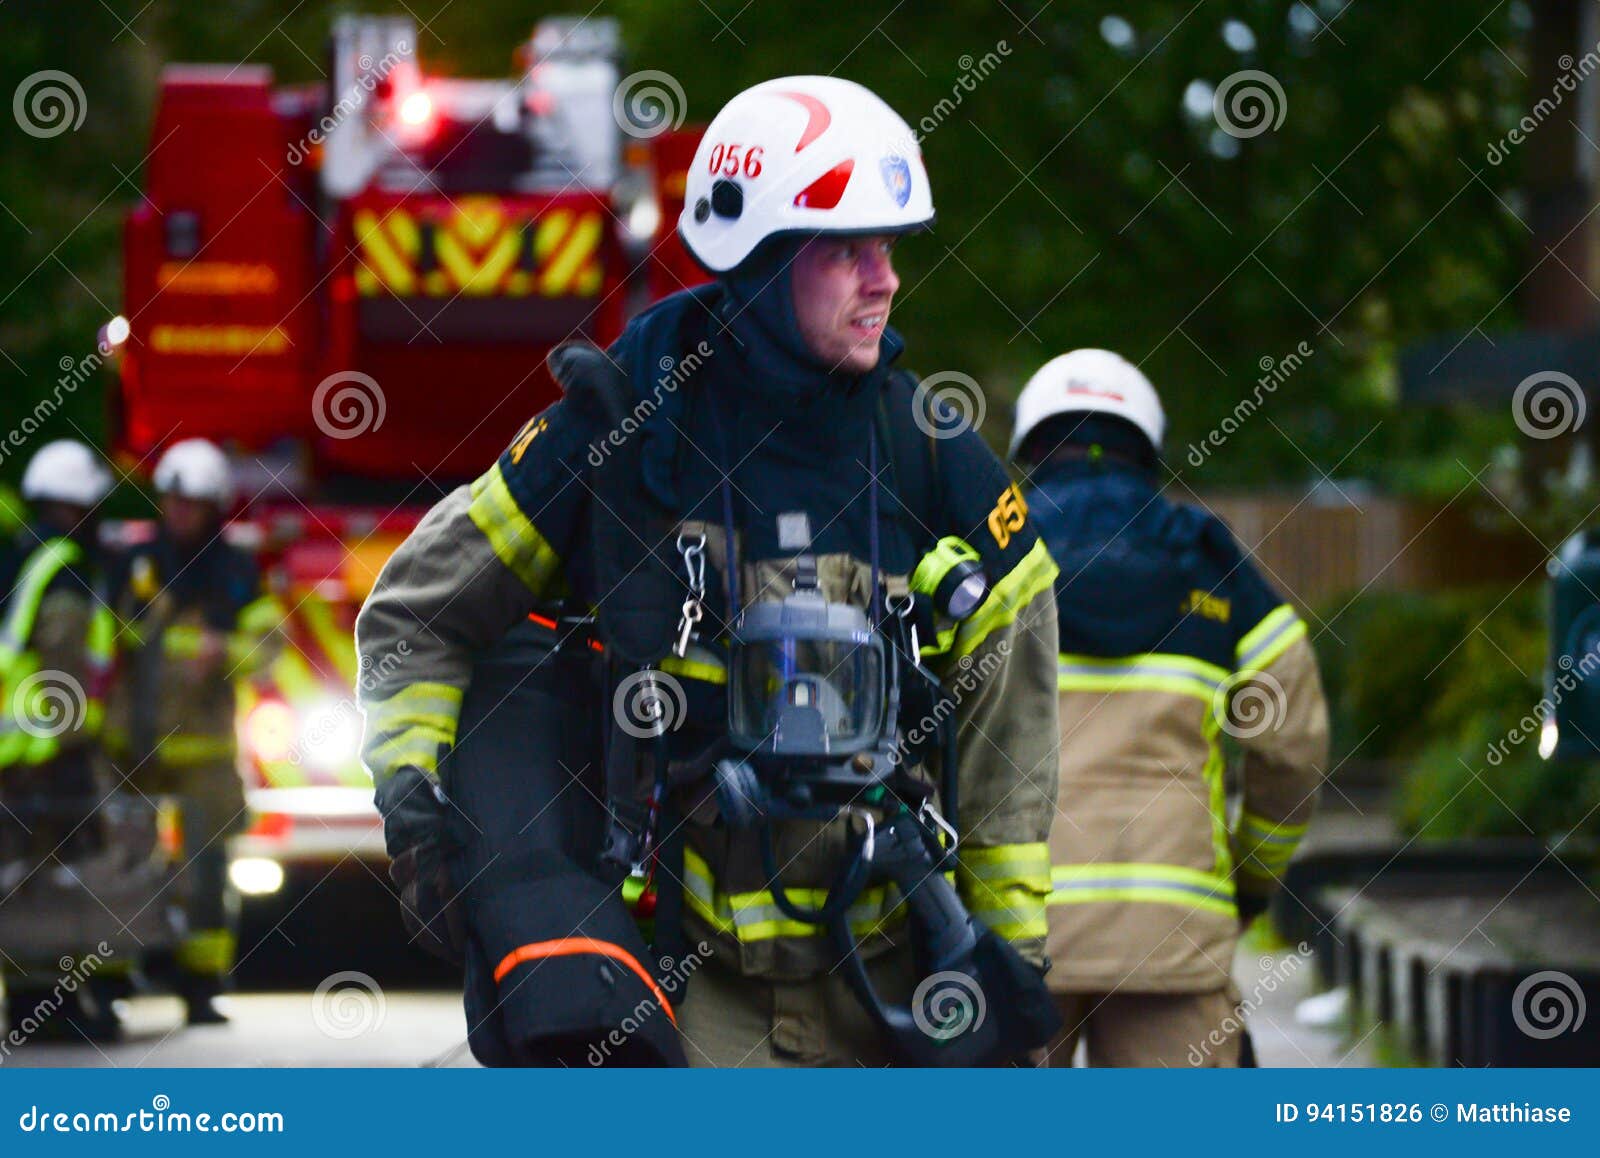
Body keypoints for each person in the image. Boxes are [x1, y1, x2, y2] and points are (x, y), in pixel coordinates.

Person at [357, 75, 1062, 1067]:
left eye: (889, 247)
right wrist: (412, 798)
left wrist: (1005, 980)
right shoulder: (621, 434)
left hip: (892, 985)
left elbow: (1010, 752)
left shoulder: (932, 459)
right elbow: (418, 615)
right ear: (762, 263)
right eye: (847, 250)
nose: (884, 280)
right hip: (687, 990)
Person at [1010, 349, 1329, 1067]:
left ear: (1031, 448)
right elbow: (1294, 744)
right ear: (1147, 448)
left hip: (1009, 939)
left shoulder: (982, 557)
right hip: (1172, 938)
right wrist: (1250, 881)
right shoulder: (1212, 567)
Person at [105, 438, 281, 1025]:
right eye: (173, 501)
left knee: (206, 868)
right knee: (123, 864)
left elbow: (268, 642)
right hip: (132, 745)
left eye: (193, 503)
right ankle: (111, 980)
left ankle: (201, 983)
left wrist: (224, 650)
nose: (180, 513)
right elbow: (106, 638)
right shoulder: (135, 562)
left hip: (205, 749)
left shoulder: (235, 570)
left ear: (214, 507)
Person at [0, 440, 116, 871]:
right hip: (43, 753)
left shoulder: (20, 555)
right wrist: (75, 749)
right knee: (57, 877)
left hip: (17, 753)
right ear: (78, 506)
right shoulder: (64, 567)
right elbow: (62, 665)